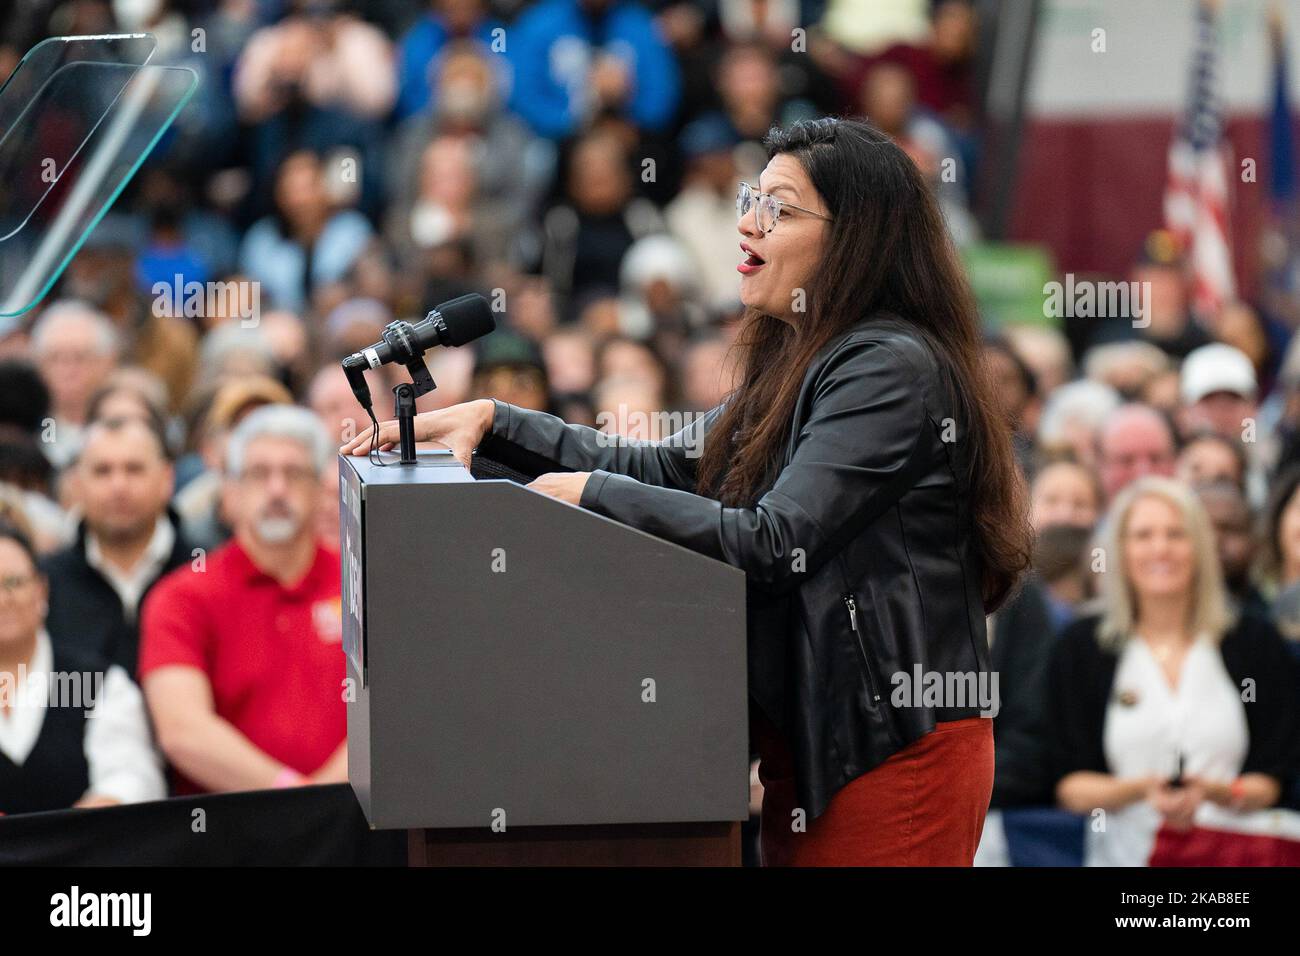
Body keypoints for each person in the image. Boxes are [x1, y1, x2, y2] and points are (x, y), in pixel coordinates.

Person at [345, 117, 1033, 865]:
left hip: (895, 748)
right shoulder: (805, 354)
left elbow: (779, 540)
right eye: (750, 198)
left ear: (856, 237)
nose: (747, 223)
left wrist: (589, 497)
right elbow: (673, 469)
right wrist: (496, 423)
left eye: (780, 208)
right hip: (818, 742)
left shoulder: (889, 369)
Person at [1045, 477, 1299, 866]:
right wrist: (1142, 789)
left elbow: (1272, 776)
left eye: (1176, 534)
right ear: (1121, 551)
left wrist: (1216, 792)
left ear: (1200, 547)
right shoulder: (1082, 647)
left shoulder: (1253, 641)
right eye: (1143, 535)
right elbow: (1068, 785)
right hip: (1126, 858)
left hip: (1233, 855)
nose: (1160, 548)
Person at [139, 406, 346, 795]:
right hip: (229, 832)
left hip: (357, 822)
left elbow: (394, 708)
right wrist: (298, 795)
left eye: (294, 473)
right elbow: (183, 731)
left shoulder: (361, 582)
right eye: (258, 474)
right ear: (230, 493)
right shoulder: (182, 596)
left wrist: (331, 799)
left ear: (321, 491)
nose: (277, 489)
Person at [0, 522, 164, 814]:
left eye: (13, 583)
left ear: (41, 590)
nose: (3, 600)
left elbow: (133, 776)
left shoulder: (95, 682)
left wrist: (81, 821)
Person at [41, 416, 193, 672]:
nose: (118, 486)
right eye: (102, 471)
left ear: (167, 479)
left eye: (134, 469)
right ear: (78, 484)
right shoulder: (44, 582)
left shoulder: (204, 569)